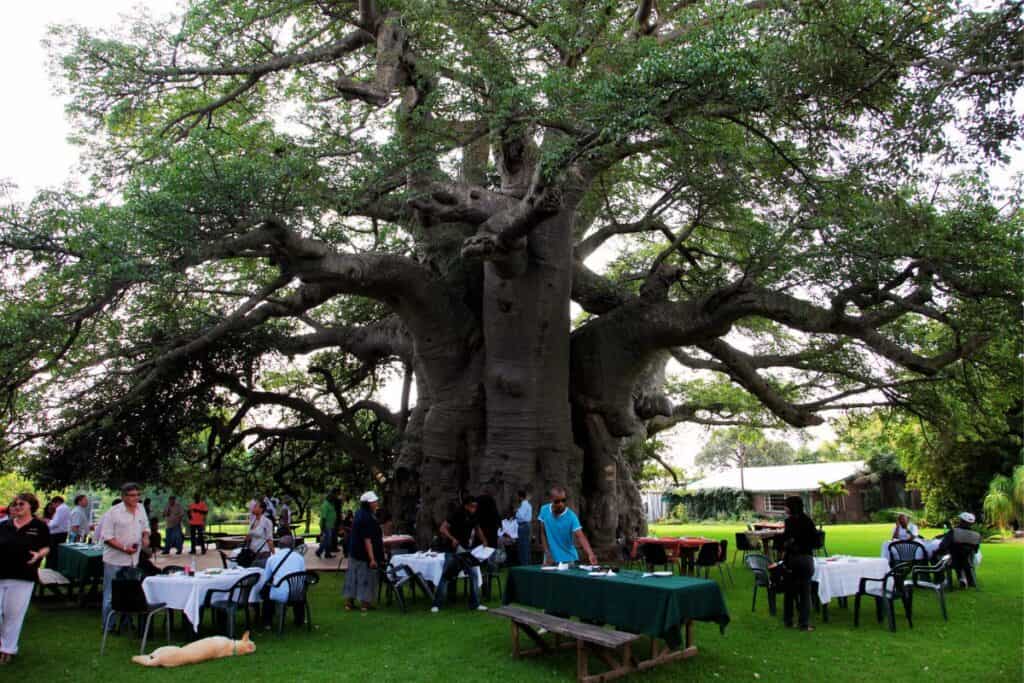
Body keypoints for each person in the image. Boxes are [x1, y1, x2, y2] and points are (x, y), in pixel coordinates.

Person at [0, 493, 50, 664]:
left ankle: (8, 649)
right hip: (1, 573)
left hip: (23, 575)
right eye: (15, 504)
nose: (17, 507)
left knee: (13, 614)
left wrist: (39, 555)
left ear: (31, 506)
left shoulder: (39, 526)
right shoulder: (4, 525)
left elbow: (46, 547)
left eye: (22, 504)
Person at [97, 483, 149, 633]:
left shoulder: (141, 509)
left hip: (133, 559)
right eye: (132, 495)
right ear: (123, 497)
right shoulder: (113, 513)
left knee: (130, 592)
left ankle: (127, 623)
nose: (136, 498)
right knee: (111, 594)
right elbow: (107, 537)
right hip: (115, 560)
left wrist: (145, 537)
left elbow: (145, 527)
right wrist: (124, 548)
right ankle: (108, 625)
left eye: (137, 495)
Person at [431, 496, 490, 613]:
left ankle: (475, 604)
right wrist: (452, 539)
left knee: (474, 574)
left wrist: (484, 541)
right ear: (466, 506)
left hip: (465, 550)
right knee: (446, 576)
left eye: (476, 507)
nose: (474, 509)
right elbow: (443, 528)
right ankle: (437, 604)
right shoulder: (456, 514)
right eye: (472, 506)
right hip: (452, 549)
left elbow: (477, 528)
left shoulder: (474, 516)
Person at [776, 496, 817, 632]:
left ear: (791, 507)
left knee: (789, 591)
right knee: (805, 592)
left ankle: (788, 620)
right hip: (805, 559)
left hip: (792, 559)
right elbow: (816, 541)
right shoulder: (808, 521)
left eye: (786, 506)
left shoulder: (789, 522)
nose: (785, 508)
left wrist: (788, 545)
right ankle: (804, 623)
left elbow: (785, 540)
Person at [343, 491, 384, 613]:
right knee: (366, 577)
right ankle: (365, 604)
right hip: (363, 554)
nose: (376, 503)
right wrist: (372, 558)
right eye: (374, 501)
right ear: (368, 503)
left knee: (352, 577)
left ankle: (349, 603)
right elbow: (367, 539)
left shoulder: (359, 514)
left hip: (354, 552)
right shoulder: (367, 517)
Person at [538, 486, 597, 566]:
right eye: (557, 501)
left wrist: (590, 554)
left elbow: (581, 536)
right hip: (549, 558)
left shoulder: (571, 516)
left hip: (568, 559)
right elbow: (543, 533)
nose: (561, 504)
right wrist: (547, 552)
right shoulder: (544, 510)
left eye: (563, 500)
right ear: (551, 500)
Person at [260, 536, 306, 628]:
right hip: (297, 594)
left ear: (279, 545)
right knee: (298, 588)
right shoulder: (300, 558)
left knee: (267, 592)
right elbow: (303, 575)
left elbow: (265, 578)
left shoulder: (272, 558)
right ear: (292, 545)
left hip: (279, 594)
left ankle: (267, 622)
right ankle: (299, 619)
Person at [936, 512, 982, 587]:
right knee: (962, 557)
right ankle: (964, 579)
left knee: (937, 556)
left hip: (952, 560)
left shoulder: (954, 532)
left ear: (962, 521)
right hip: (968, 561)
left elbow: (942, 546)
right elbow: (976, 550)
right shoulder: (977, 535)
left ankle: (941, 580)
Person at [245, 501, 275, 566]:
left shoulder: (267, 522)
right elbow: (250, 536)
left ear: (261, 509)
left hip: (263, 553)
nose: (253, 508)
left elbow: (269, 540)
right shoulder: (253, 521)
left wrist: (274, 556)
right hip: (252, 553)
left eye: (255, 506)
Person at [46, 495, 70, 568]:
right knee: (57, 554)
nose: (53, 507)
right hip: (62, 533)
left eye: (53, 504)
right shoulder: (66, 508)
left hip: (56, 534)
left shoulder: (60, 508)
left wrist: (47, 523)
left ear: (57, 502)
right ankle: (54, 567)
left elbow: (55, 523)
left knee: (52, 554)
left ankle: (50, 568)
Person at [316, 490, 338, 559]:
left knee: (328, 540)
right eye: (332, 497)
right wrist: (323, 528)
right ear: (329, 497)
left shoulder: (331, 504)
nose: (334, 499)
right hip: (326, 525)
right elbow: (323, 517)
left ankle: (327, 554)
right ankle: (319, 551)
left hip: (331, 525)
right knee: (327, 540)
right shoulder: (325, 505)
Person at [515, 489, 533, 566]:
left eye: (517, 496)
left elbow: (521, 516)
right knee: (526, 545)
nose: (517, 498)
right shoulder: (527, 504)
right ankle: (527, 563)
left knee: (523, 546)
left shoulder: (524, 504)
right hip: (526, 525)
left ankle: (524, 564)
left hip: (523, 525)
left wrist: (517, 511)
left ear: (520, 497)